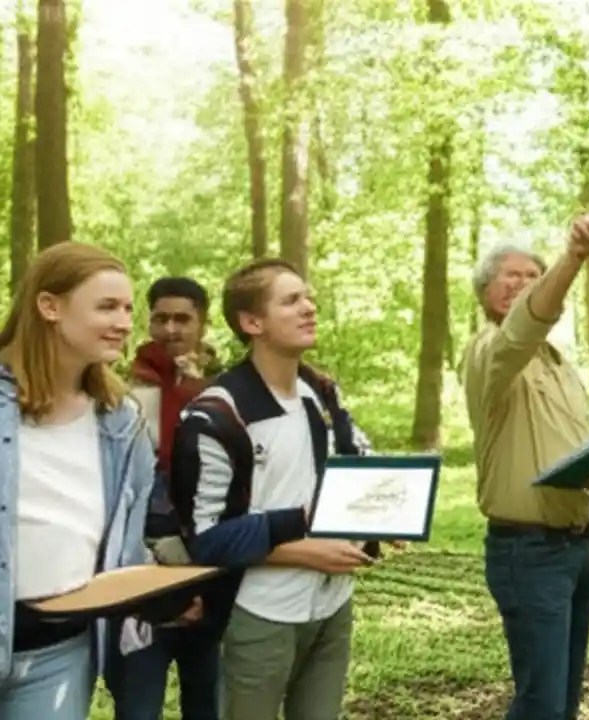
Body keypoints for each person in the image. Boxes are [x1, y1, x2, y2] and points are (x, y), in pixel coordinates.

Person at [168, 258, 373, 720]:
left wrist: (384, 517)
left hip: (332, 603)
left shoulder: (321, 392)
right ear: (251, 322)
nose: (309, 308)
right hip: (261, 611)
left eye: (308, 297)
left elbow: (359, 466)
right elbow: (207, 539)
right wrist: (304, 547)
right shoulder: (216, 415)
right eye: (291, 300)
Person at [462, 218, 589, 720]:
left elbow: (570, 454)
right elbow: (522, 328)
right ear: (488, 294)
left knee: (563, 702)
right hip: (528, 552)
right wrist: (575, 255)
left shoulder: (560, 365)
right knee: (540, 703)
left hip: (576, 547)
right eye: (512, 276)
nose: (526, 282)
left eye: (535, 273)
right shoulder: (488, 353)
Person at [0, 242, 155, 719]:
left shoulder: (121, 419)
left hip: (59, 652)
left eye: (129, 308)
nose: (125, 322)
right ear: (49, 306)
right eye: (107, 306)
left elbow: (129, 539)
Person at [108, 277, 223, 720]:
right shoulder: (122, 387)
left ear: (202, 324)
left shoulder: (224, 389)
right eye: (161, 318)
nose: (171, 329)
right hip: (143, 571)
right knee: (137, 705)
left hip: (207, 567)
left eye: (183, 319)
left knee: (207, 700)